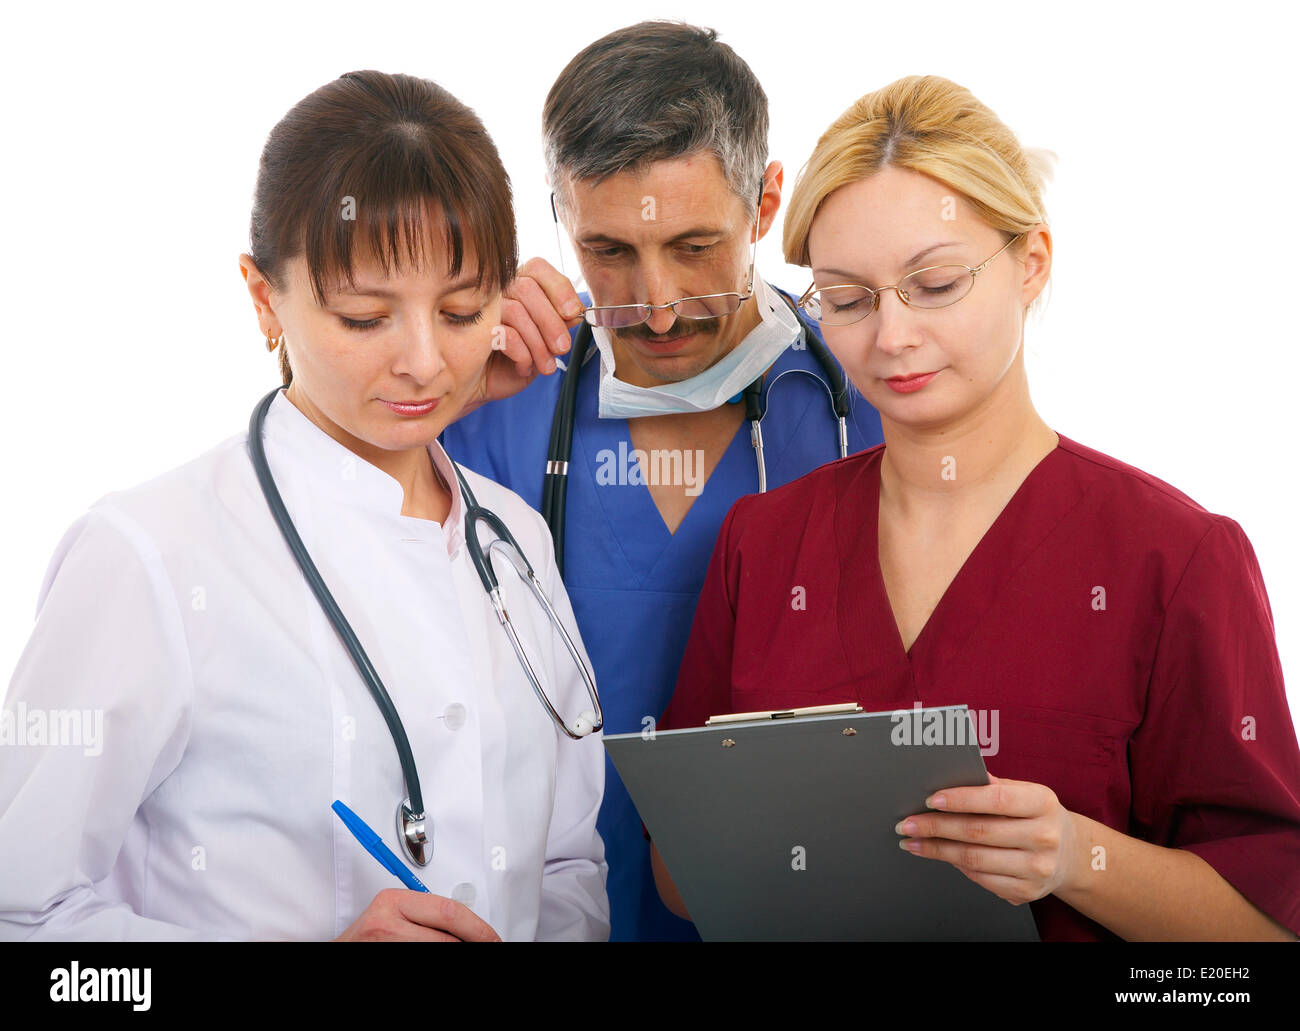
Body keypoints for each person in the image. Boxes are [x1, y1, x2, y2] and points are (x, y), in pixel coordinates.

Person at [653, 75, 1300, 941]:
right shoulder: (762, 544)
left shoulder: (1175, 559)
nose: (891, 337)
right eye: (846, 300)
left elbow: (1265, 930)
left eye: (937, 283)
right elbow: (679, 874)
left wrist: (1076, 855)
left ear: (1031, 261)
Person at [0, 70, 608, 942]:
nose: (426, 362)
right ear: (263, 298)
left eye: (463, 308)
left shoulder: (513, 537)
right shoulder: (150, 554)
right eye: (366, 318)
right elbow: (23, 919)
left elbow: (565, 869)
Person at [441, 20, 884, 943]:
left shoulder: (862, 398)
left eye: (693, 245)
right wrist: (445, 360)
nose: (658, 301)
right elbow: (309, 530)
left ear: (766, 204)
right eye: (608, 250)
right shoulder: (494, 398)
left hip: (781, 909)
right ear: (557, 218)